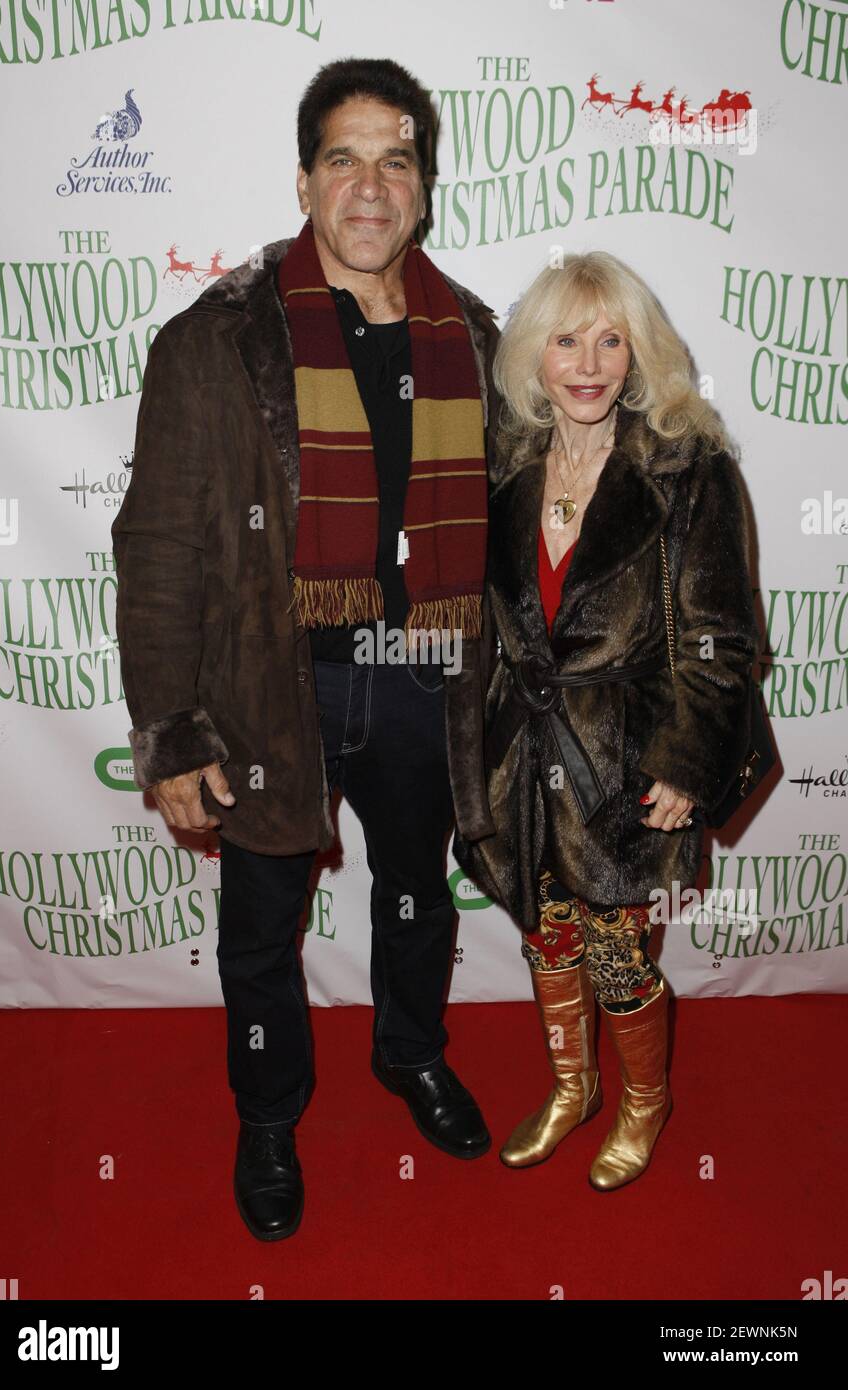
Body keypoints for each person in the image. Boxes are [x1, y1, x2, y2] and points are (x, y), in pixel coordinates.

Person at [111, 57, 502, 1242]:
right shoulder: (219, 340)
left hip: (423, 675)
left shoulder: (476, 337)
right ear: (303, 180)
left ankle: (408, 1053)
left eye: (395, 158)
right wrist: (172, 728)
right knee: (259, 921)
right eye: (343, 156)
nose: (369, 183)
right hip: (273, 683)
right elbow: (162, 541)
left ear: (423, 189)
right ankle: (270, 1112)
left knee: (412, 899)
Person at [454, 250, 760, 1190]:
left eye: (612, 340)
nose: (588, 363)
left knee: (618, 957)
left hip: (626, 761)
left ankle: (643, 1102)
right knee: (546, 935)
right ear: (532, 360)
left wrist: (687, 761)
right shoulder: (505, 461)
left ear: (639, 353)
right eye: (565, 340)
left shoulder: (685, 467)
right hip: (525, 756)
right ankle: (571, 1086)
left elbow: (721, 636)